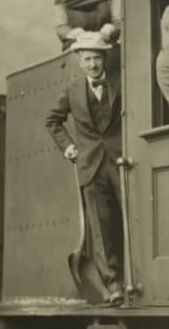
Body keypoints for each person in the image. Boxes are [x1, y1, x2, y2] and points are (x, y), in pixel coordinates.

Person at [44, 32, 125, 304]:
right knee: (101, 228)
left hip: (120, 160)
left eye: (97, 58)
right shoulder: (71, 90)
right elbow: (52, 121)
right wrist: (68, 147)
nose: (93, 64)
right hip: (90, 166)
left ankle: (134, 277)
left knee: (127, 218)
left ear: (104, 59)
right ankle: (113, 285)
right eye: (88, 59)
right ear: (80, 62)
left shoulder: (118, 83)